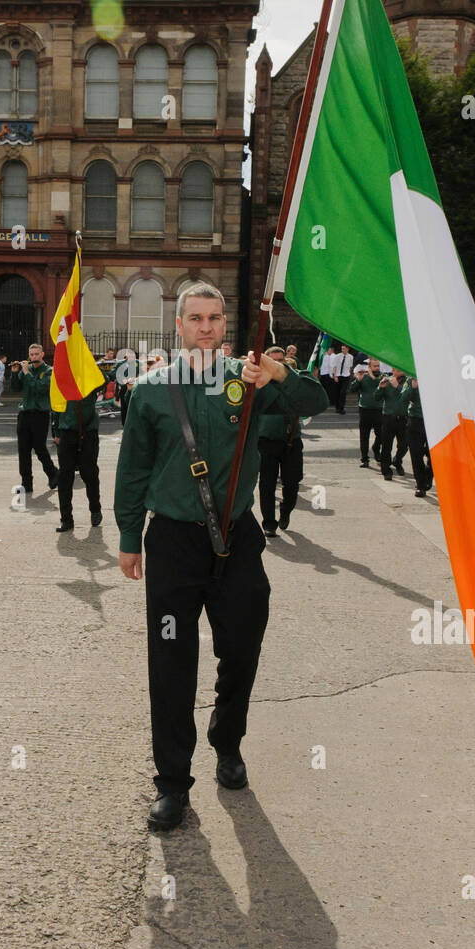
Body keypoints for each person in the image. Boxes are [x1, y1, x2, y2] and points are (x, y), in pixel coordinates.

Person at [115, 283, 328, 834]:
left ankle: (227, 740)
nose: (206, 327)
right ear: (179, 324)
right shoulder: (151, 390)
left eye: (215, 318)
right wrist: (129, 536)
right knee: (170, 662)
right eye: (196, 318)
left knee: (241, 646)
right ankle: (172, 784)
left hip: (236, 540)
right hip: (173, 546)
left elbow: (316, 402)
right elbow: (133, 469)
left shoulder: (248, 378)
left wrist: (278, 375)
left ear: (225, 326)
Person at [257, 346, 306, 535]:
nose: (278, 363)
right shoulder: (260, 383)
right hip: (266, 441)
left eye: (281, 360)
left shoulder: (293, 382)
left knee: (292, 484)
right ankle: (269, 523)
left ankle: (285, 512)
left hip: (292, 441)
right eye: (273, 360)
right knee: (267, 484)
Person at [10, 344, 59, 494]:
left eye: (37, 354)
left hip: (40, 414)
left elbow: (40, 388)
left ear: (42, 354)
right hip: (25, 413)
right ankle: (26, 483)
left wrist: (26, 373)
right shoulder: (27, 370)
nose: (34, 357)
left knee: (39, 448)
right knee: (23, 450)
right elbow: (15, 388)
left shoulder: (49, 371)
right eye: (31, 355)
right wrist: (14, 373)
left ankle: (52, 473)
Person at [52, 388, 102, 532]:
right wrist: (56, 431)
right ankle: (66, 519)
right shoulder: (63, 375)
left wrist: (89, 367)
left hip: (88, 431)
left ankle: (95, 509)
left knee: (89, 473)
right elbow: (55, 405)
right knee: (65, 477)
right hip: (67, 430)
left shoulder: (89, 373)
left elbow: (103, 380)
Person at [401, 376, 432, 497]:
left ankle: (428, 476)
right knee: (416, 454)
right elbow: (403, 399)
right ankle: (420, 485)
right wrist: (413, 388)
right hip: (415, 420)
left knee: (433, 454)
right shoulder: (411, 379)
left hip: (434, 421)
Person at [375, 368, 408, 480]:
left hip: (403, 418)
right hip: (388, 418)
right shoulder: (387, 381)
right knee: (386, 446)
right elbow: (376, 397)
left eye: (398, 369)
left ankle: (397, 461)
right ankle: (386, 470)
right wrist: (381, 387)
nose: (395, 372)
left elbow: (407, 398)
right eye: (393, 370)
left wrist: (397, 387)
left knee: (404, 446)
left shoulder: (408, 382)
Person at [349, 357, 382, 467]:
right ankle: (364, 458)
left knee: (381, 435)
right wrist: (358, 379)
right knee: (364, 435)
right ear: (369, 367)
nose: (377, 368)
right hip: (365, 410)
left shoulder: (383, 377)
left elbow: (383, 386)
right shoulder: (363, 376)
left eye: (378, 366)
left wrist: (373, 377)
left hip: (379, 410)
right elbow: (352, 389)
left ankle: (376, 449)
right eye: (374, 366)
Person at [333, 343, 354, 413]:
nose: (342, 350)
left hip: (346, 376)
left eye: (344, 349)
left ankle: (342, 408)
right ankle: (337, 407)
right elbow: (335, 366)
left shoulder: (351, 357)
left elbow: (350, 367)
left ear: (348, 349)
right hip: (338, 376)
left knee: (343, 392)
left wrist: (349, 375)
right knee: (337, 392)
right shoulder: (338, 356)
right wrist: (335, 376)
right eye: (342, 349)